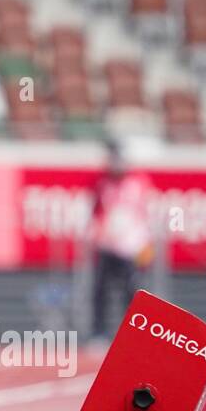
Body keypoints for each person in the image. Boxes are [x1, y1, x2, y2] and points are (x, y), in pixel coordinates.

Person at [88, 141, 154, 339]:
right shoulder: (102, 183)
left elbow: (144, 214)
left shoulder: (138, 183)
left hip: (132, 247)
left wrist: (144, 245)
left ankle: (134, 334)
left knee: (132, 292)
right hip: (108, 245)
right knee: (101, 290)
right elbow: (97, 211)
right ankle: (99, 332)